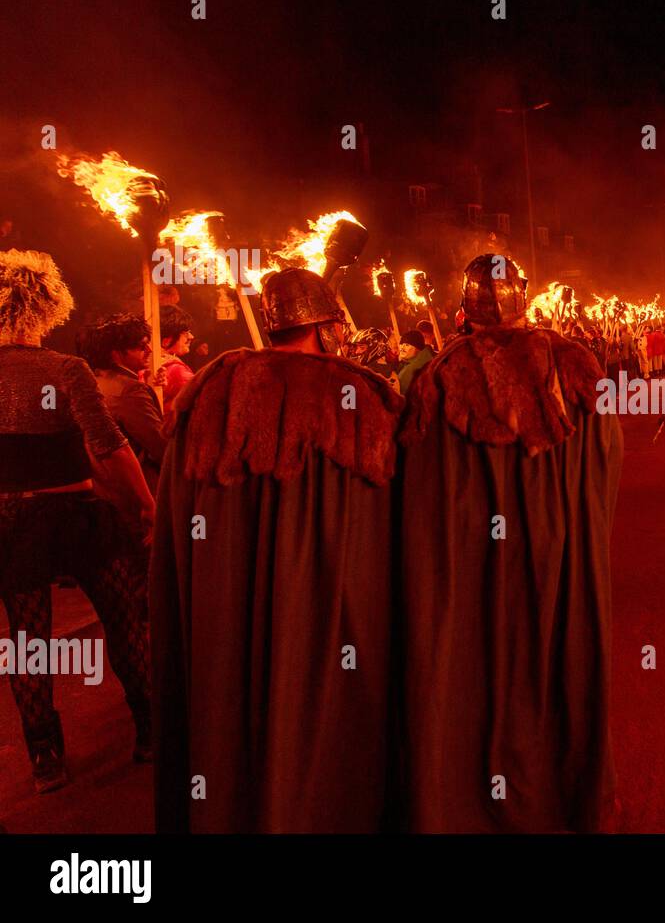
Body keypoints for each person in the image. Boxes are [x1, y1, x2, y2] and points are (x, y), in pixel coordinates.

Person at [150, 268, 403, 831]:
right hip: (329, 613)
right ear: (326, 325)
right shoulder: (358, 397)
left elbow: (177, 517)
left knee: (234, 703)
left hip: (227, 606)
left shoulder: (208, 395)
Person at [397, 254, 623, 831]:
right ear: (524, 295)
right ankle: (562, 798)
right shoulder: (574, 362)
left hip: (470, 558)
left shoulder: (437, 375)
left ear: (466, 306)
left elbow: (419, 484)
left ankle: (466, 799)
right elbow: (605, 460)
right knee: (555, 657)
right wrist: (577, 522)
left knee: (472, 665)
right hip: (556, 546)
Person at [0, 250, 154, 793]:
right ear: (48, 306)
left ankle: (45, 758)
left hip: (12, 520)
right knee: (125, 618)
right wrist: (146, 504)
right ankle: (151, 731)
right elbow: (109, 444)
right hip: (76, 516)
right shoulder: (67, 368)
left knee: (28, 640)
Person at [77, 313, 166, 490]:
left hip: (103, 486)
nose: (149, 350)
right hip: (140, 488)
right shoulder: (130, 391)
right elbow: (160, 445)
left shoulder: (92, 381)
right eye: (141, 346)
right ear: (116, 353)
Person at [142, 304, 196, 413]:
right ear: (166, 340)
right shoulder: (176, 371)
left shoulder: (142, 364)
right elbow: (204, 399)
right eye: (185, 333)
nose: (191, 337)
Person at [395, 329, 434, 395]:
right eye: (401, 344)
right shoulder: (408, 363)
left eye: (407, 345)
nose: (402, 348)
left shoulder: (410, 370)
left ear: (417, 348)